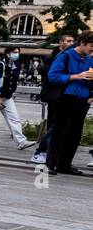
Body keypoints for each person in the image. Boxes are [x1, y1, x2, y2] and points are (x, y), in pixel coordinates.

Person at [45, 32, 93, 176]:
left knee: (75, 134)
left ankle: (64, 165)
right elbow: (52, 76)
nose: (92, 50)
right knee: (60, 132)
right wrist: (74, 76)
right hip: (66, 98)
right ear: (82, 43)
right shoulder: (65, 56)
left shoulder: (89, 59)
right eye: (91, 46)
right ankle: (51, 164)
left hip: (82, 99)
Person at [33, 34, 75, 165]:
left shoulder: (71, 56)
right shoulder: (54, 57)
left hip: (65, 95)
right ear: (61, 42)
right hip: (55, 95)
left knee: (60, 126)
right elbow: (51, 77)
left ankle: (51, 152)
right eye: (68, 41)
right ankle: (43, 151)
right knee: (54, 125)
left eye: (73, 41)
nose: (71, 43)